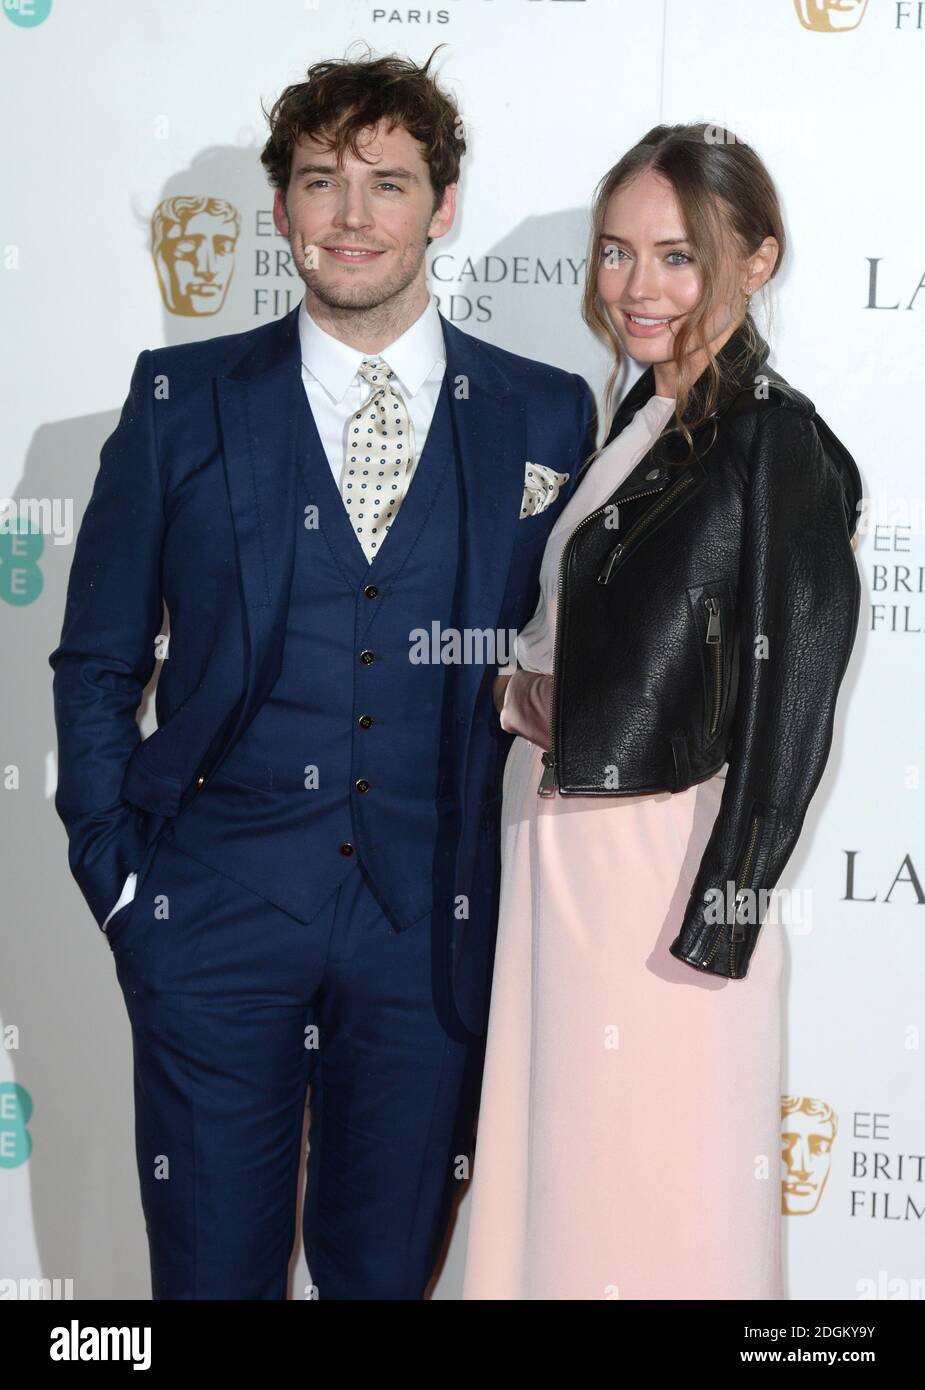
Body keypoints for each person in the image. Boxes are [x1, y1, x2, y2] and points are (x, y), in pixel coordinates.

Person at [48, 47, 595, 1300]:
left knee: (385, 1279)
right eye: (319, 182)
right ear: (282, 206)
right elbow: (97, 657)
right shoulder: (182, 402)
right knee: (207, 1278)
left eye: (387, 184)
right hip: (213, 920)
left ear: (442, 206)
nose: (351, 217)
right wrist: (120, 882)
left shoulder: (545, 414)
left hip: (431, 935)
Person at [462, 123, 862, 1300]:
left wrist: (718, 921)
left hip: (662, 873)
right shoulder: (641, 419)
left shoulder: (774, 441)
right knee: (565, 1186)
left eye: (678, 256)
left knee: (655, 1196)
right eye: (616, 252)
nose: (637, 288)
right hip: (566, 860)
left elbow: (792, 703)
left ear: (757, 261)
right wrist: (520, 691)